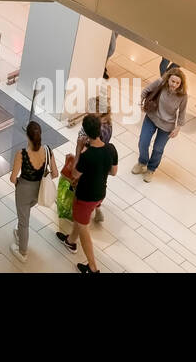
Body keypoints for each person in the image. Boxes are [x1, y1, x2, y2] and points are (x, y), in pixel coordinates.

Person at [57, 112, 117, 272]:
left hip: (85, 196)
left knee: (84, 228)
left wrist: (78, 150)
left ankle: (92, 267)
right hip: (100, 194)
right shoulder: (110, 149)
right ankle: (70, 240)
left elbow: (75, 174)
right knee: (80, 219)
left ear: (85, 132)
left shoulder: (87, 155)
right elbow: (113, 172)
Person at [9, 120, 57, 262]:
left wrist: (19, 184)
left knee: (24, 221)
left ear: (27, 136)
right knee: (25, 215)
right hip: (39, 190)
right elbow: (55, 174)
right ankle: (19, 233)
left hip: (24, 190)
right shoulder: (48, 150)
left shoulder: (21, 154)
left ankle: (23, 251)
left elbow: (12, 178)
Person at [133, 65, 188, 182]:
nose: (174, 85)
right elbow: (145, 91)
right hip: (152, 117)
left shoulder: (183, 96)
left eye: (177, 83)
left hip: (167, 125)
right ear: (168, 79)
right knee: (143, 142)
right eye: (173, 81)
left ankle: (151, 169)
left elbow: (182, 112)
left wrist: (178, 128)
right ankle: (142, 162)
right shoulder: (160, 82)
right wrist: (141, 102)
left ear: (181, 84)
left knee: (158, 149)